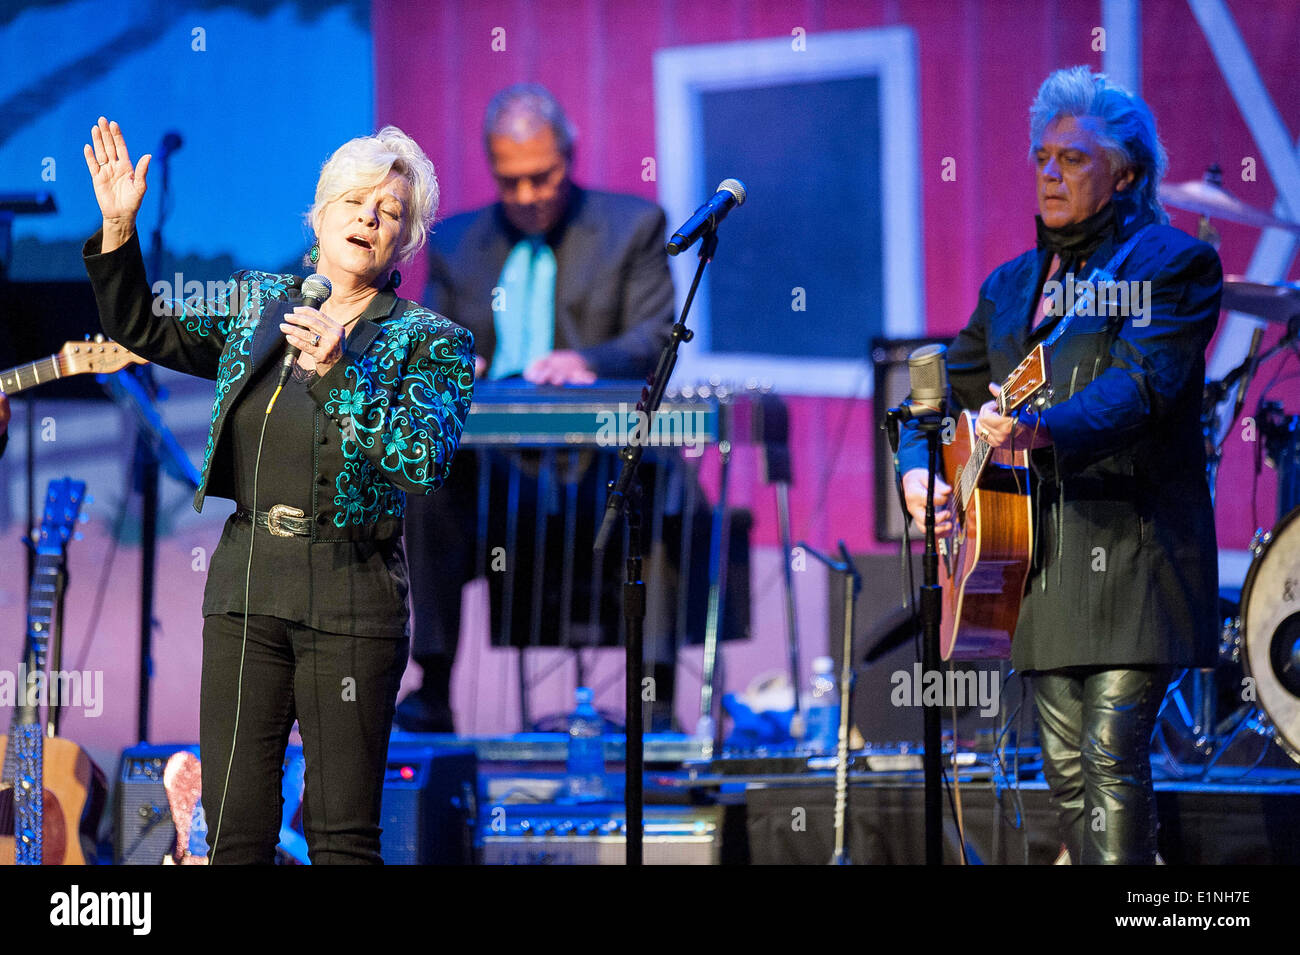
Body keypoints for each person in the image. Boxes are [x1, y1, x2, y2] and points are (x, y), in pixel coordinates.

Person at [82, 117, 474, 863]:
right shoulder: (261, 304)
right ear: (319, 215)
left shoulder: (430, 340)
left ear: (405, 241)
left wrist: (340, 374)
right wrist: (118, 228)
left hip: (352, 593)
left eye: (389, 212)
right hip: (246, 583)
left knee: (341, 836)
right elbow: (143, 327)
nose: (369, 217)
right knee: (235, 832)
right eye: (356, 201)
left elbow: (422, 463)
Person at [899, 67, 1222, 864]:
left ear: (1128, 173)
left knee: (1112, 760)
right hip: (1037, 567)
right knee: (1068, 773)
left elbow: (1139, 389)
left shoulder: (1171, 265)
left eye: (1073, 159)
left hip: (1136, 555)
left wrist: (1035, 432)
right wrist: (921, 474)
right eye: (1042, 156)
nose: (1049, 172)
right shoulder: (1012, 287)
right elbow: (931, 401)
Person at [399, 83, 674, 732]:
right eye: (510, 180)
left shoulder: (632, 226)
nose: (525, 196)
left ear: (569, 157)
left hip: (597, 469)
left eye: (541, 177)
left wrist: (591, 361)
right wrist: (448, 356)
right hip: (496, 481)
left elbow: (657, 333)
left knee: (664, 479)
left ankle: (654, 701)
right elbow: (425, 332)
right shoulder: (460, 241)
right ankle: (432, 687)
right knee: (425, 476)